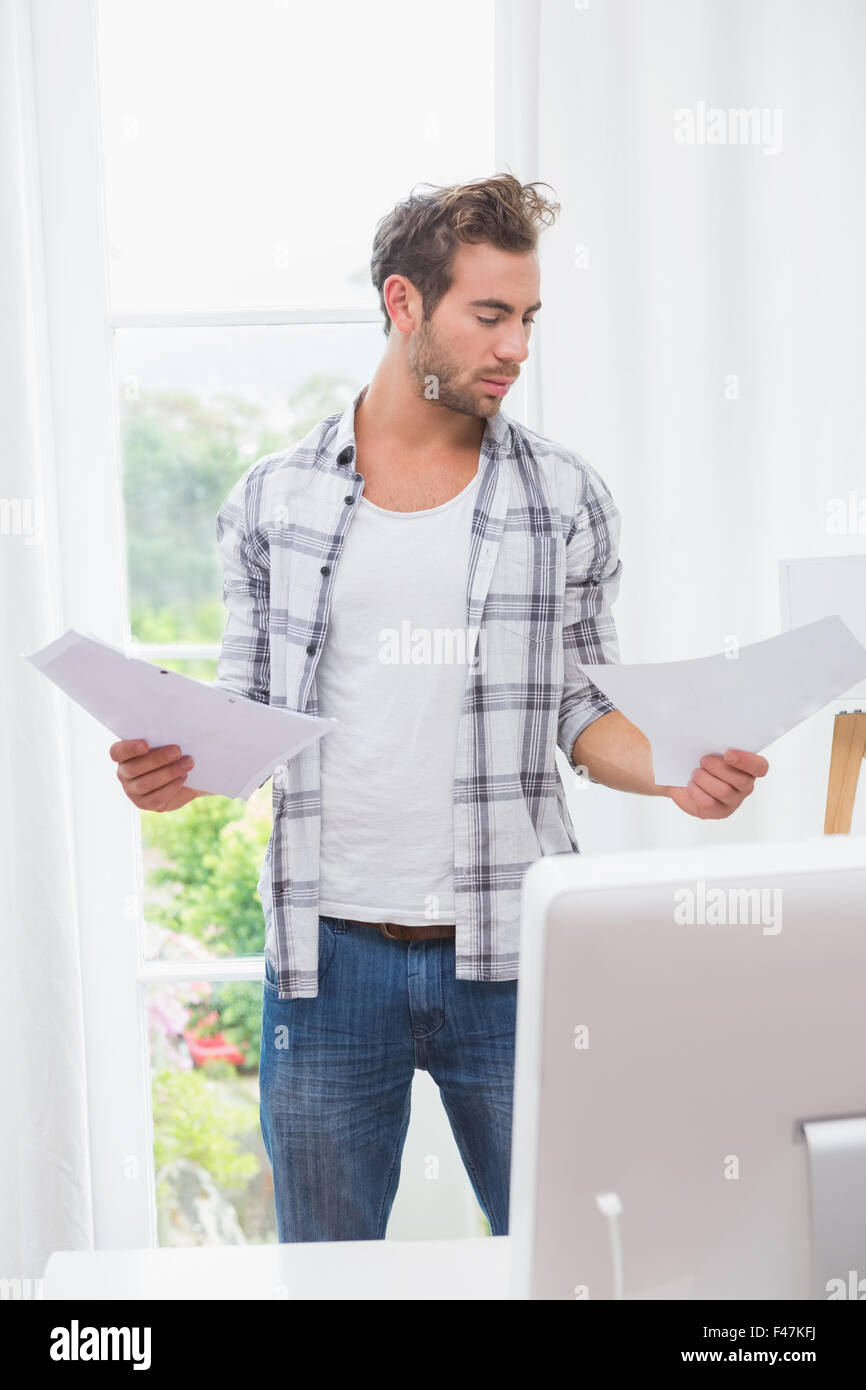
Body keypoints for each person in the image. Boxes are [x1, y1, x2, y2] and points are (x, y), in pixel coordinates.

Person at [110, 173, 769, 1243]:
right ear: (404, 304)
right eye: (489, 315)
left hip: (516, 953)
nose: (514, 347)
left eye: (527, 318)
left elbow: (577, 707)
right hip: (327, 965)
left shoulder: (565, 498)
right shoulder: (271, 500)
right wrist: (172, 773)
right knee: (324, 1275)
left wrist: (671, 770)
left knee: (568, 1258)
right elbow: (247, 714)